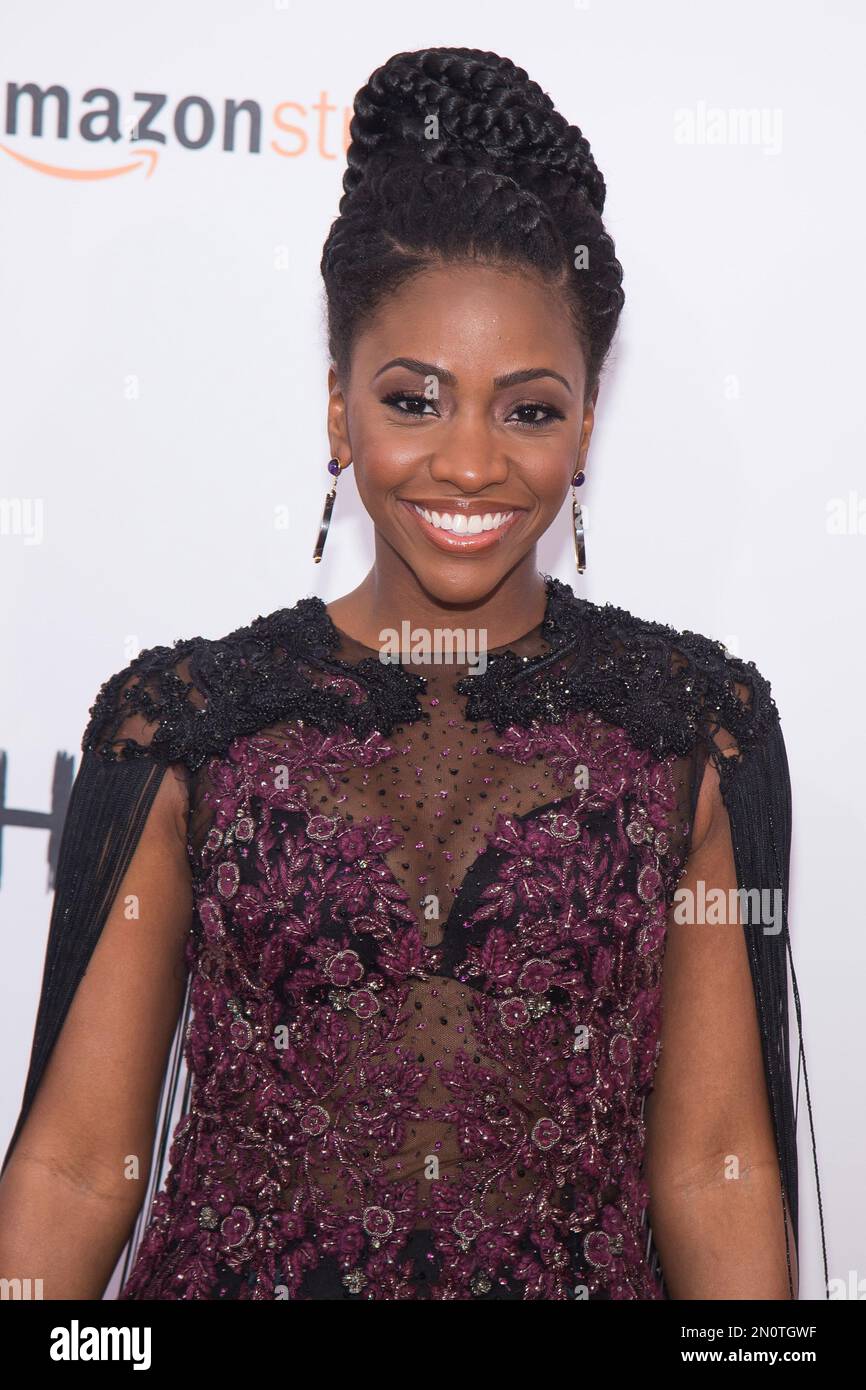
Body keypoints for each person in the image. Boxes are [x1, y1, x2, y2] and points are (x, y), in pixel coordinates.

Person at [0, 45, 826, 1301]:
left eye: (529, 409)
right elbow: (73, 1169)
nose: (469, 462)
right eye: (414, 398)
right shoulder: (189, 725)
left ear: (587, 426)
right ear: (339, 409)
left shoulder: (687, 733)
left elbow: (712, 1164)